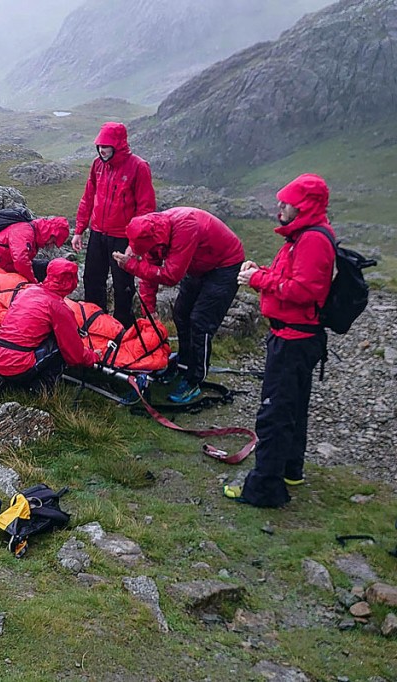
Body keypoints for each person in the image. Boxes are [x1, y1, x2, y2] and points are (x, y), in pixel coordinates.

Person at [224, 174, 335, 507]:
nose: (280, 208)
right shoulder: (303, 236)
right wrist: (259, 273)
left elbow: (304, 290)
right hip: (296, 337)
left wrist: (258, 279)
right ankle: (290, 469)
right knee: (292, 408)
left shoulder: (312, 240)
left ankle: (264, 488)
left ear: (303, 206)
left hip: (292, 339)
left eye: (286, 203)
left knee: (274, 412)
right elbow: (292, 279)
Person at [113, 207, 245, 403]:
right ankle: (183, 363)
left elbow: (171, 276)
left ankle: (194, 380)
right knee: (181, 314)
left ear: (155, 239)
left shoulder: (185, 227)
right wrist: (149, 309)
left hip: (225, 266)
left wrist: (132, 266)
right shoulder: (153, 235)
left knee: (200, 321)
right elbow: (149, 272)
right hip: (198, 264)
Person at [0, 259, 100, 403]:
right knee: (60, 345)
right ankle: (41, 389)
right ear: (71, 282)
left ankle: (7, 380)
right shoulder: (58, 307)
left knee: (38, 336)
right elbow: (75, 354)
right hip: (19, 362)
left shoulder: (27, 291)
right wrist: (93, 357)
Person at [72, 122, 156, 328]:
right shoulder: (97, 165)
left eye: (106, 146)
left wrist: (135, 244)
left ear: (118, 145)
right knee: (92, 279)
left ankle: (122, 329)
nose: (102, 150)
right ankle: (95, 325)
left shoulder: (138, 167)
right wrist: (79, 230)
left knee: (123, 285)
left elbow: (145, 209)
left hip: (123, 237)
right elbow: (88, 198)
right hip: (97, 233)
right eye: (100, 146)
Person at [0, 216, 70, 283]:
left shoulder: (34, 233)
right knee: (41, 271)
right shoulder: (25, 232)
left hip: (9, 266)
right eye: (53, 242)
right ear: (50, 234)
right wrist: (33, 282)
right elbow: (20, 260)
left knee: (46, 266)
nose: (51, 246)